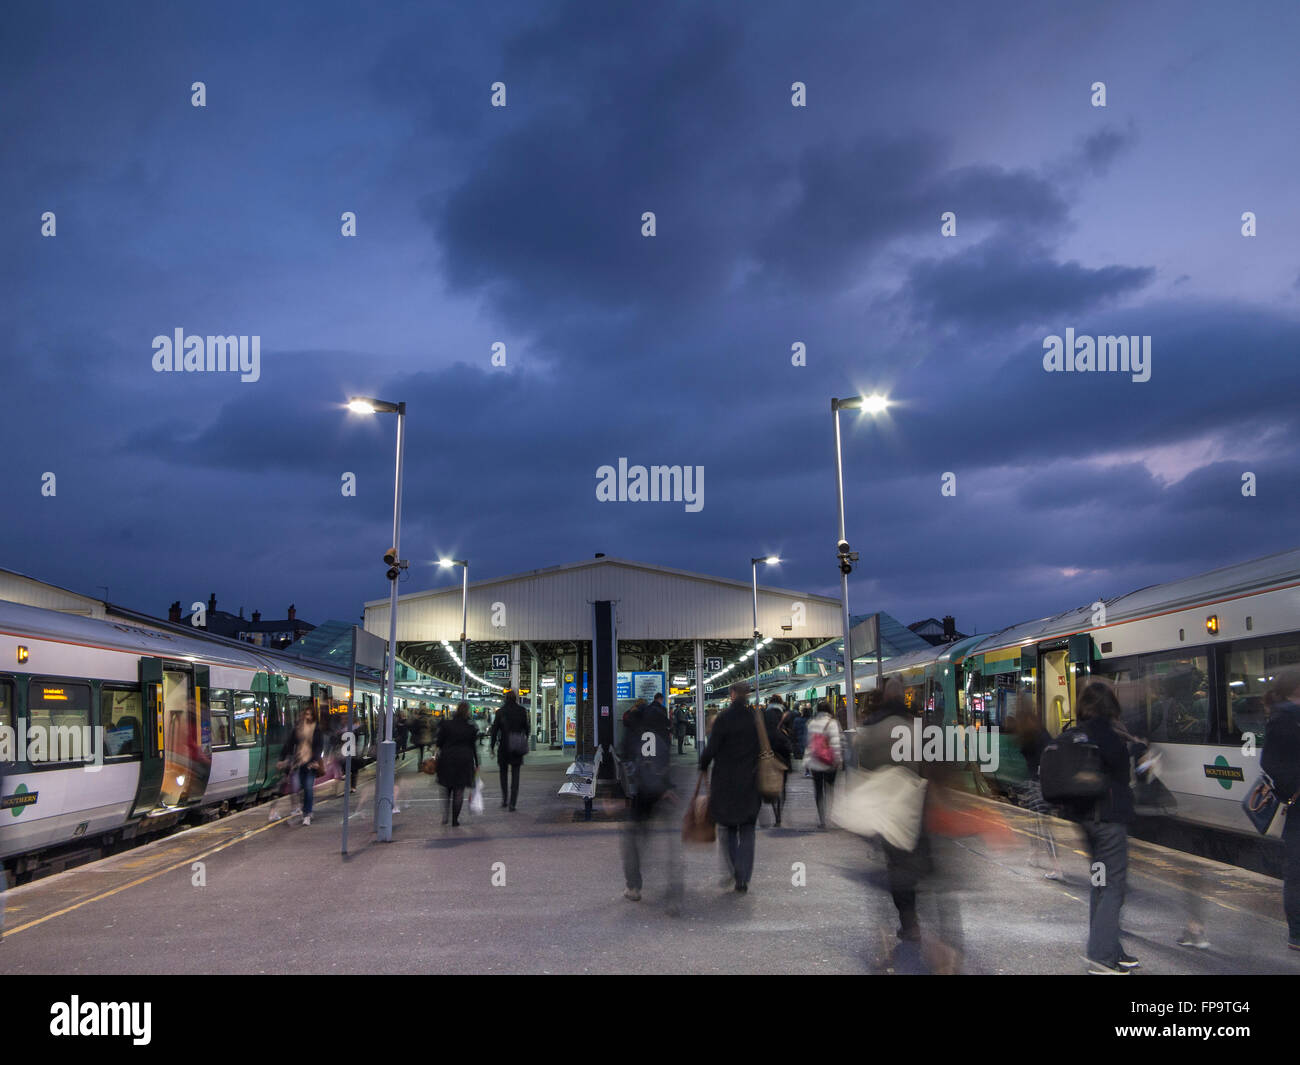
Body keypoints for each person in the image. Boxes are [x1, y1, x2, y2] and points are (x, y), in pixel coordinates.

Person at [1066, 680, 1137, 974]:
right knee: (1112, 888)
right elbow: (1121, 771)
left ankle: (1109, 947)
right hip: (1107, 822)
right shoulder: (1106, 734)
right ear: (1110, 706)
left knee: (1100, 883)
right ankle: (1100, 955)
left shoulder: (1076, 733)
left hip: (1086, 822)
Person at [856, 679, 929, 950]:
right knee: (914, 860)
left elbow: (863, 763)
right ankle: (916, 918)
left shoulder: (874, 728)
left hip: (888, 807)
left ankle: (909, 922)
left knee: (896, 864)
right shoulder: (917, 727)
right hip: (915, 802)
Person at [619, 692, 683, 911]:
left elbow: (626, 759)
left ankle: (634, 887)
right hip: (662, 791)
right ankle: (674, 891)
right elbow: (667, 759)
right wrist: (667, 787)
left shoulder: (634, 730)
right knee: (672, 843)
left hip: (642, 792)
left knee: (632, 840)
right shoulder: (662, 730)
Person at [698, 681, 761, 893]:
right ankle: (743, 876)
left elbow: (712, 748)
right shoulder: (755, 718)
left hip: (726, 782)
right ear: (748, 695)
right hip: (751, 782)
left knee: (729, 829)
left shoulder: (723, 718)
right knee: (748, 829)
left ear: (732, 694)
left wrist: (703, 764)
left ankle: (736, 871)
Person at [1262, 668, 1300, 951]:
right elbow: (1272, 762)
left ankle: (1297, 934)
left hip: (1296, 805)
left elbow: (1269, 762)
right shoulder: (1286, 718)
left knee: (1296, 872)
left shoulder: (1279, 717)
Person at [1011, 697, 1063, 880]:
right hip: (1040, 781)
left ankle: (1056, 867)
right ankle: (1034, 853)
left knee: (1042, 824)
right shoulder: (1039, 731)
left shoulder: (1030, 733)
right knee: (1036, 821)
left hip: (1038, 783)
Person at [273, 705, 323, 826]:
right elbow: (289, 744)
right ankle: (305, 809)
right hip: (299, 763)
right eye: (306, 714)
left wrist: (316, 760)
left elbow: (318, 746)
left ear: (313, 716)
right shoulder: (298, 728)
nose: (307, 716)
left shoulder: (316, 729)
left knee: (308, 787)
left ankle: (307, 813)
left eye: (310, 714)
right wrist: (282, 759)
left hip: (311, 764)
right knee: (299, 788)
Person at [436, 701, 480, 827]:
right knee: (459, 791)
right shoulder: (471, 728)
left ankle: (446, 815)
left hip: (447, 760)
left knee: (446, 788)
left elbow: (439, 743)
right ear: (467, 712)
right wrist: (477, 762)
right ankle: (455, 820)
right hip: (464, 761)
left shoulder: (446, 725)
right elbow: (473, 747)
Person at [804, 700, 843, 828]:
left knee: (818, 790)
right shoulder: (832, 723)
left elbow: (810, 744)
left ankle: (822, 819)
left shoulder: (811, 723)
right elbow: (835, 743)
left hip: (816, 762)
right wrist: (838, 759)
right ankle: (829, 814)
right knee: (830, 789)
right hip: (829, 762)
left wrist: (807, 761)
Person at [490, 689, 530, 811]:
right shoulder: (522, 711)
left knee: (503, 774)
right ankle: (513, 803)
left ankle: (504, 799)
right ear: (516, 699)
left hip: (503, 747)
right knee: (515, 775)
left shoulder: (500, 712)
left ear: (505, 699)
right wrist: (524, 738)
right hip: (516, 746)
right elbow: (527, 728)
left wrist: (491, 747)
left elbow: (495, 730)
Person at [761, 694, 794, 827]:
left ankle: (775, 812)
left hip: (768, 753)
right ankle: (779, 813)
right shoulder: (785, 715)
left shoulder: (764, 715)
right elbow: (791, 734)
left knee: (770, 781)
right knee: (783, 785)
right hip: (783, 754)